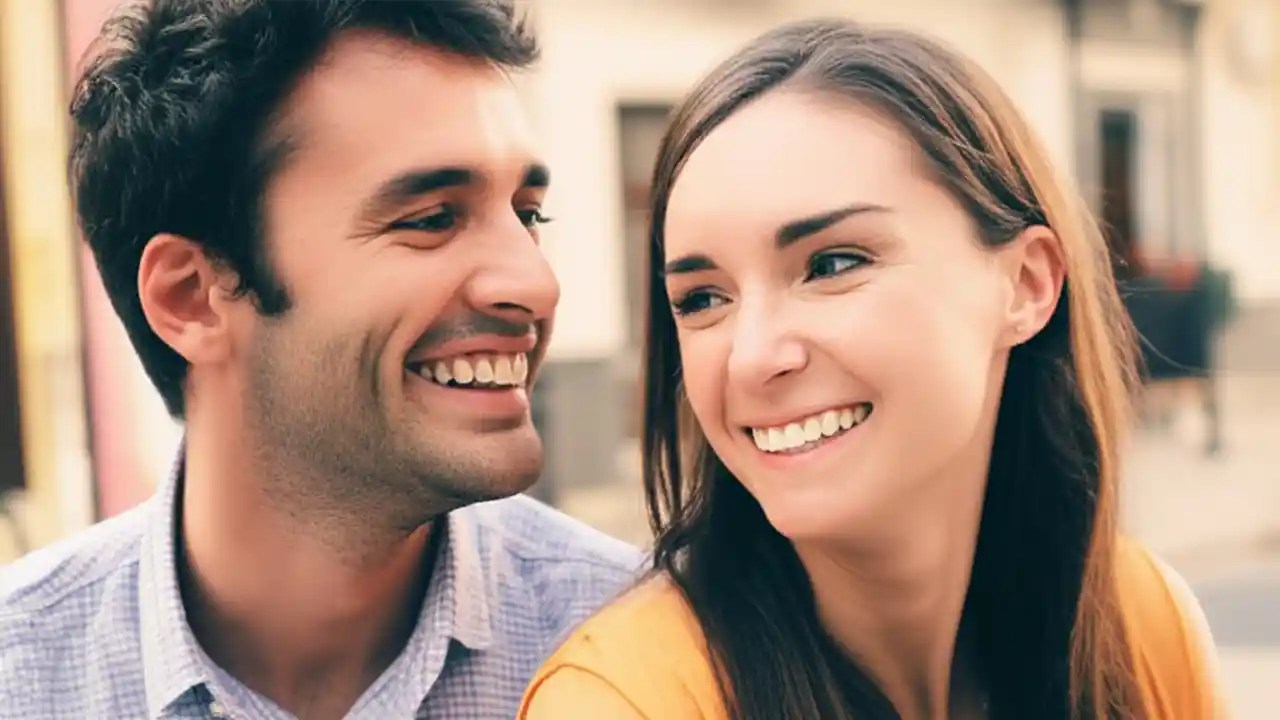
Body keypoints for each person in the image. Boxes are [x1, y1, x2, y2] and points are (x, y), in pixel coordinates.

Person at [520, 18, 1225, 720]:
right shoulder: (621, 703)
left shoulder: (1139, 628)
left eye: (832, 265)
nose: (754, 356)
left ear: (1026, 285)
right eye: (702, 299)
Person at [0, 1, 641, 718]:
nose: (535, 284)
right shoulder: (24, 677)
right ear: (192, 298)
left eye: (528, 215)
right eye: (431, 220)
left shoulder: (643, 654)